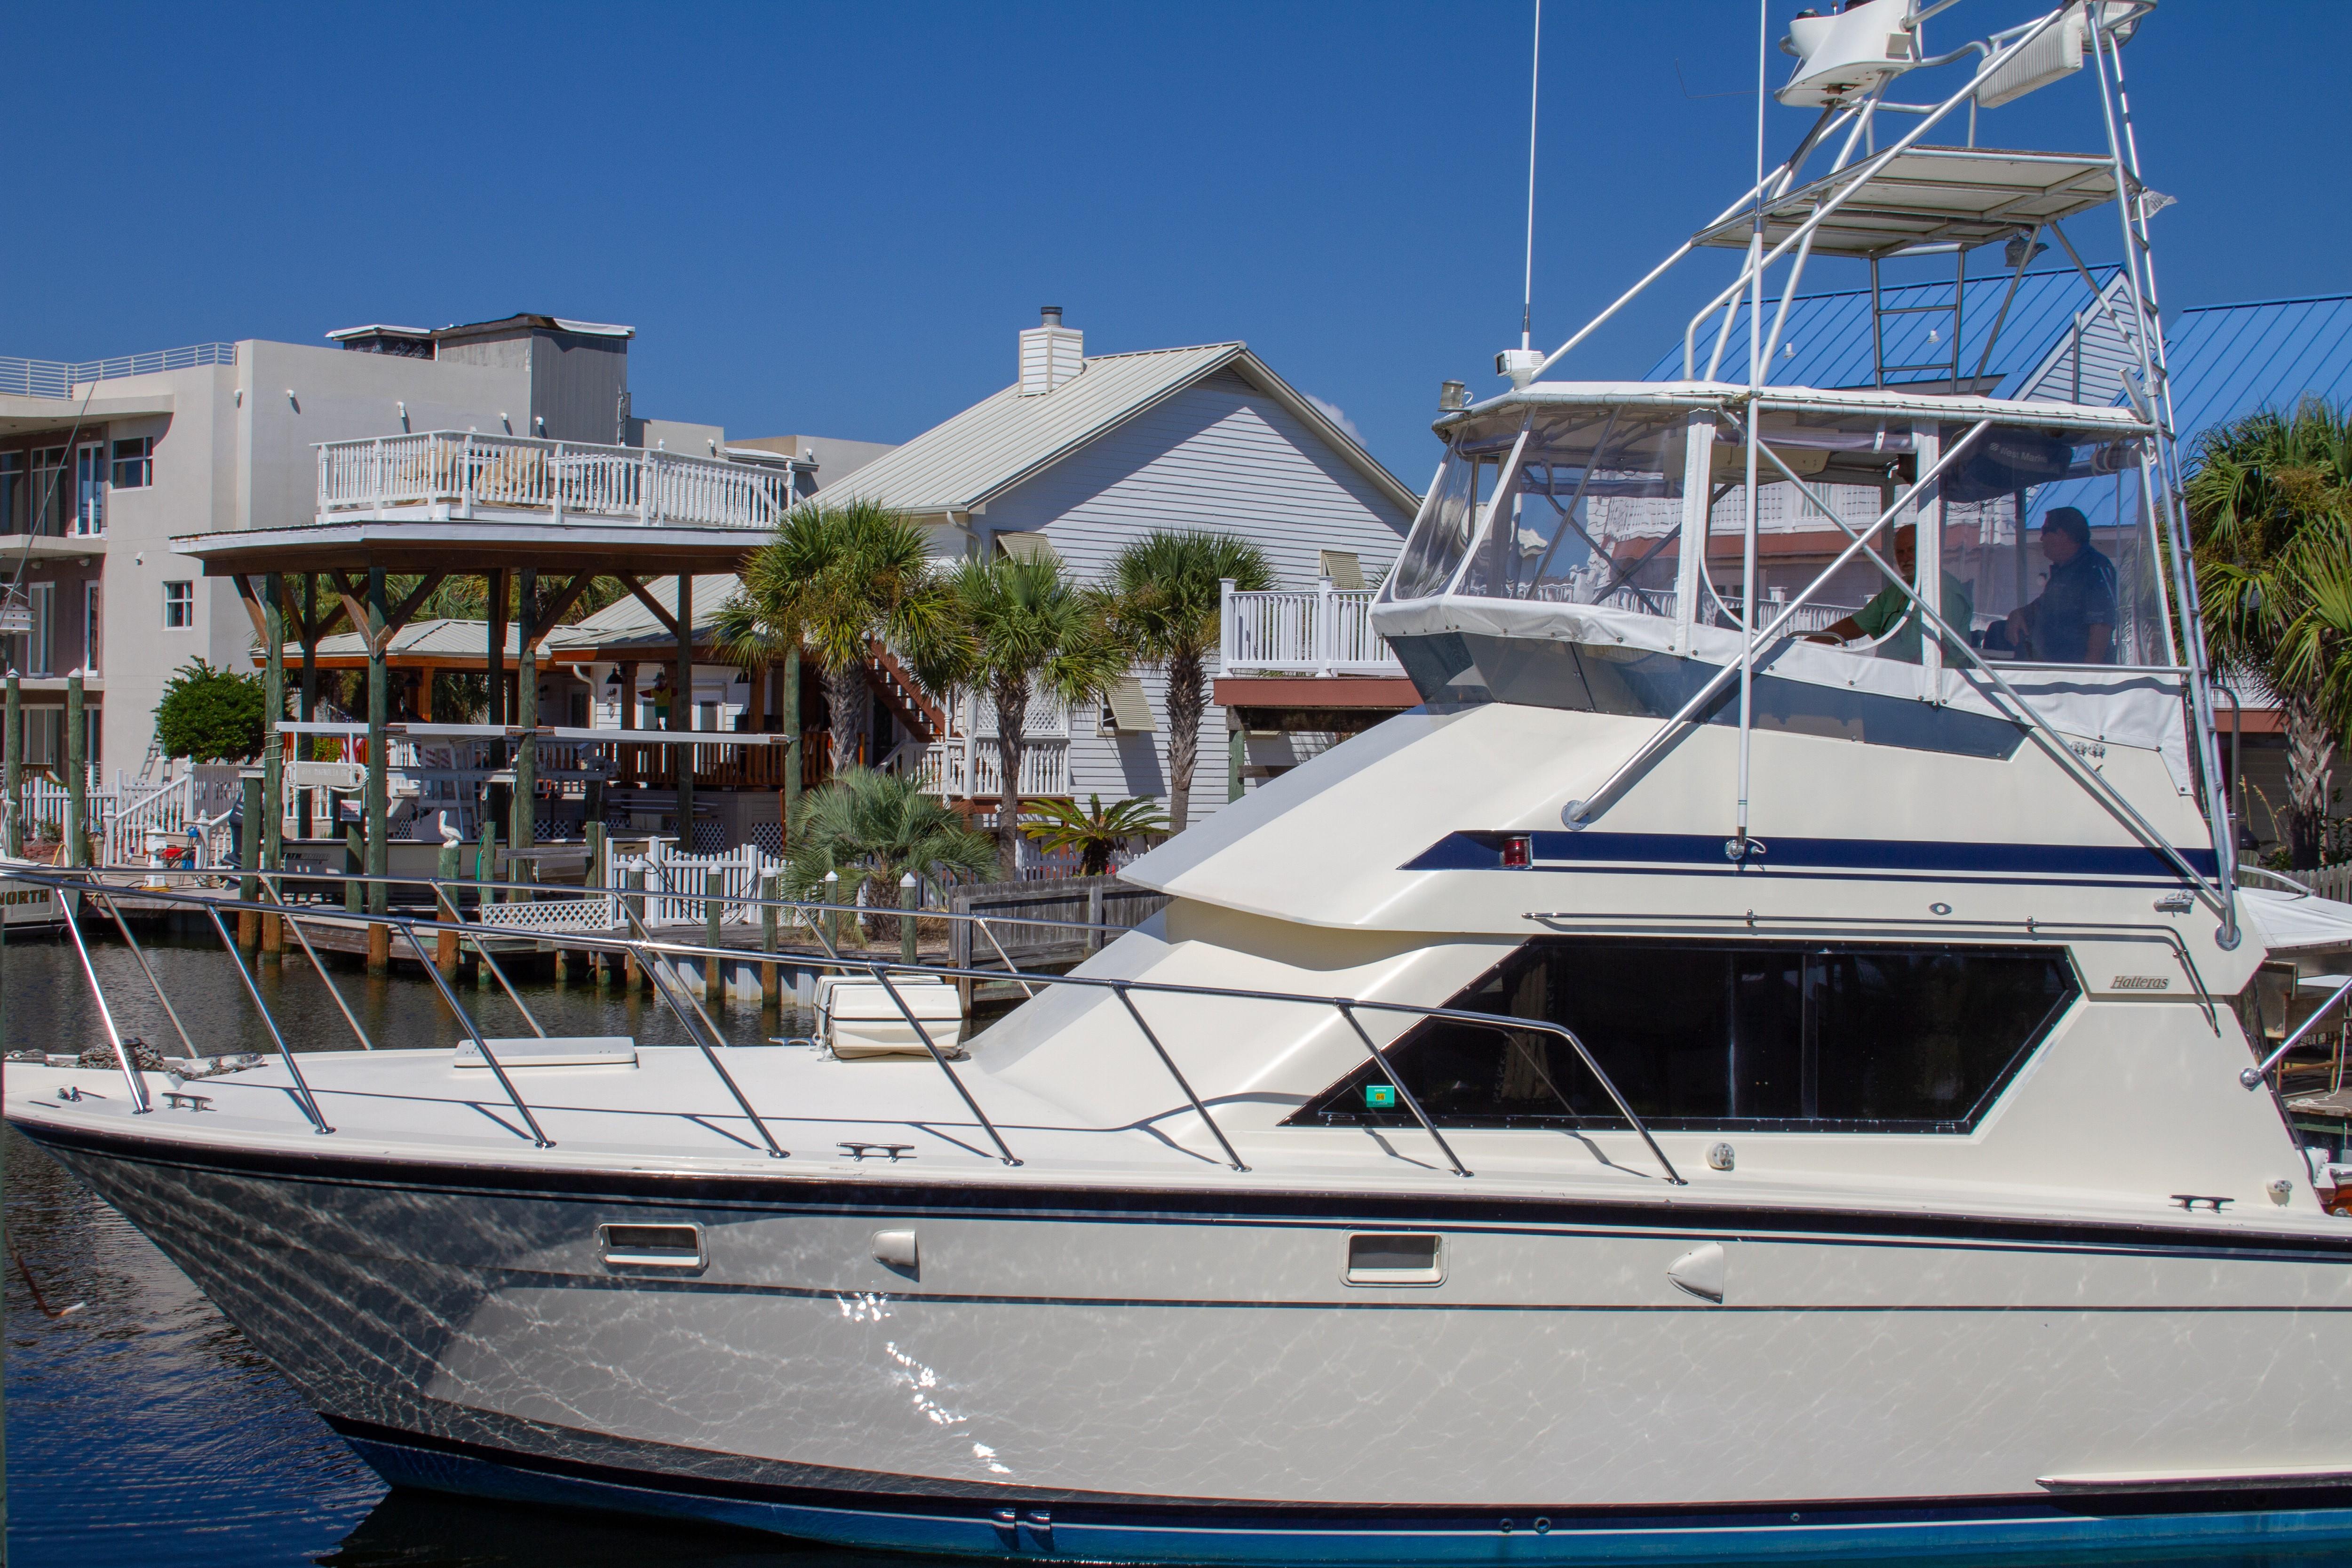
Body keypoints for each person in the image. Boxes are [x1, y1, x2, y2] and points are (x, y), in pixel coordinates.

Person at [1803, 524, 1972, 663]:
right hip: (1889, 678)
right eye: (1900, 552)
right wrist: (1804, 646)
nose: (1905, 557)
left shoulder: (1944, 589)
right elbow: (1858, 624)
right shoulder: (1899, 589)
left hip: (1926, 686)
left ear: (1928, 550)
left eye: (1912, 550)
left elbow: (1940, 648)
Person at [1992, 506, 2115, 664]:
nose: (2041, 539)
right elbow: (2046, 604)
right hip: (2052, 671)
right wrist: (2020, 613)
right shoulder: (2063, 570)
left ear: (2061, 534)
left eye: (2045, 532)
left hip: (2077, 676)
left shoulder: (2094, 568)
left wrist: (2088, 673)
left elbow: (2101, 625)